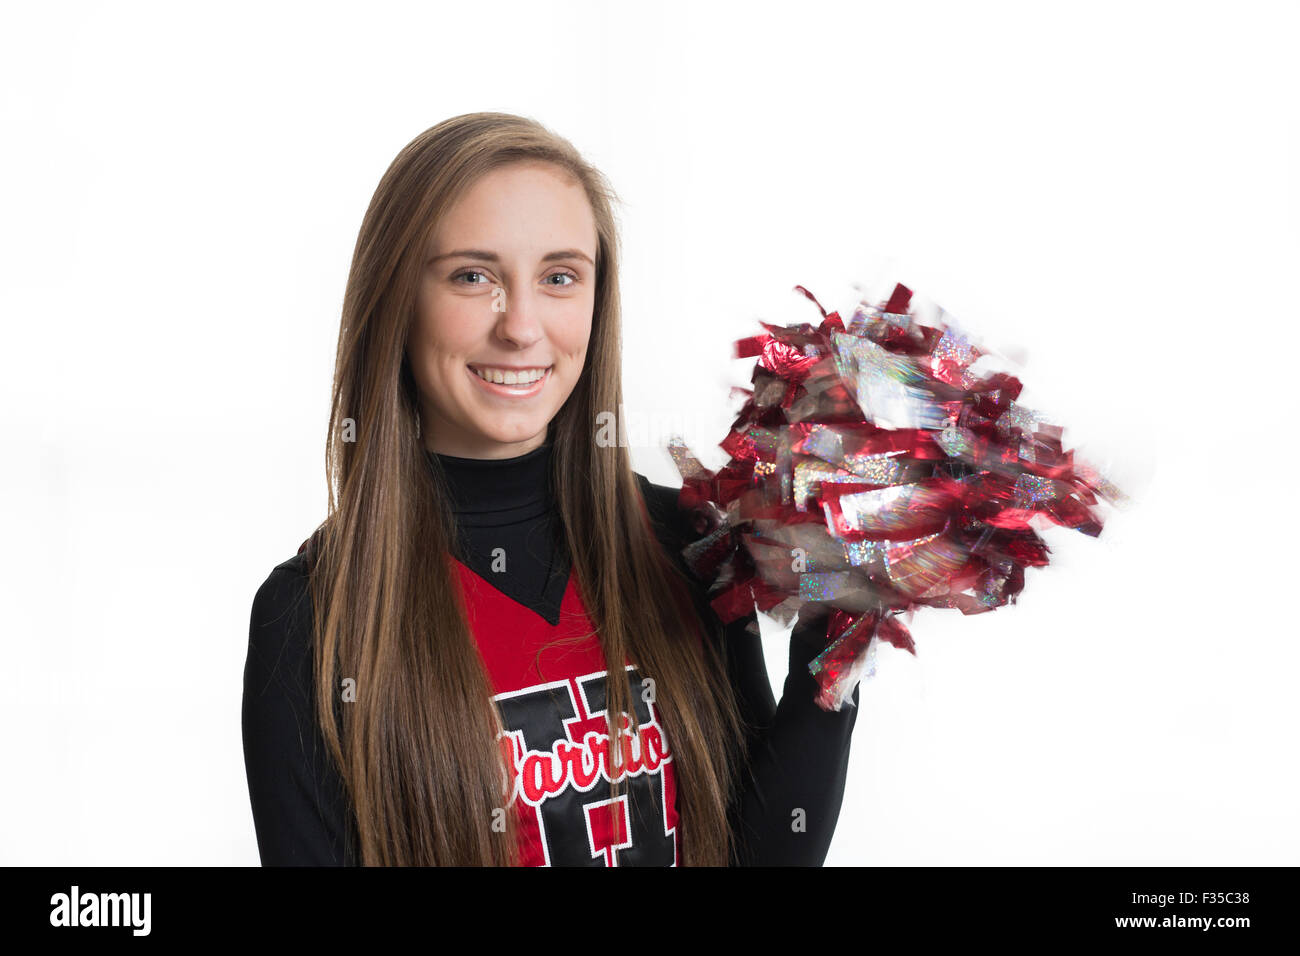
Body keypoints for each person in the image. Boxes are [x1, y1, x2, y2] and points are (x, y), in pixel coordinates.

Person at [241, 112, 861, 866]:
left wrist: (836, 644)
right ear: (396, 296)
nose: (523, 326)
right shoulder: (313, 618)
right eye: (474, 276)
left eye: (559, 276)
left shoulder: (688, 544)